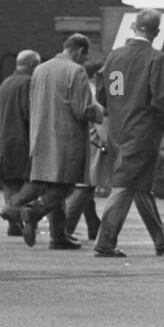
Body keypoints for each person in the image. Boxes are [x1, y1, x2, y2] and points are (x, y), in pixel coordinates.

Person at [1, 33, 100, 250]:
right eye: (85, 55)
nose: (85, 60)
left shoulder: (40, 69)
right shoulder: (76, 71)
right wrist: (102, 112)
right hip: (66, 138)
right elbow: (82, 109)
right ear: (80, 51)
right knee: (64, 187)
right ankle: (33, 212)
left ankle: (52, 232)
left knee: (42, 182)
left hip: (40, 136)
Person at [94, 9, 164, 258]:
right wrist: (161, 122)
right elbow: (160, 97)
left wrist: (119, 109)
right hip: (143, 131)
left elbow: (106, 93)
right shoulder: (157, 59)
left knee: (139, 184)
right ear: (157, 31)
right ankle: (105, 241)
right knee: (124, 184)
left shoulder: (115, 57)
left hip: (118, 128)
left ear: (133, 26)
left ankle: (160, 237)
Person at [0, 50, 40, 237]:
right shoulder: (27, 83)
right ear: (32, 65)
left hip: (3, 141)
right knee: (26, 183)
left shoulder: (5, 84)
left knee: (10, 184)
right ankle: (18, 218)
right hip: (21, 140)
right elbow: (30, 114)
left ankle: (14, 226)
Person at [65, 60, 109, 243]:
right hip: (94, 143)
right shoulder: (94, 93)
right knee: (85, 187)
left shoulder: (82, 90)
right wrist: (107, 143)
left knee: (86, 187)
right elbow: (101, 120)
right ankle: (64, 230)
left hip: (81, 142)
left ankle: (93, 226)